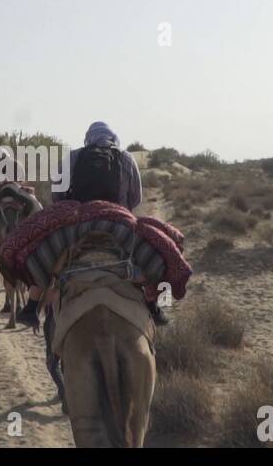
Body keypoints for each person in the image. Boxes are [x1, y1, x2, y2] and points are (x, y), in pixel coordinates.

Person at [15, 121, 169, 326]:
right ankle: (154, 307)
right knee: (156, 256)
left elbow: (57, 195)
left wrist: (69, 213)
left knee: (43, 255)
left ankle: (31, 307)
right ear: (114, 139)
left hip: (78, 223)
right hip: (120, 223)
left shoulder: (73, 157)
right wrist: (120, 211)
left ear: (88, 139)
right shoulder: (126, 157)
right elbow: (136, 198)